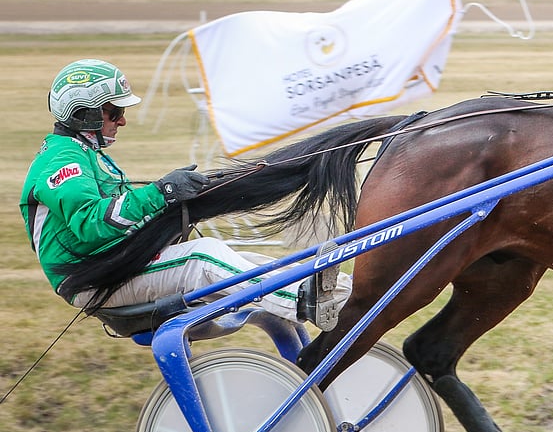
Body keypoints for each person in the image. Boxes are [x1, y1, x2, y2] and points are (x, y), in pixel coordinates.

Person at [20, 58, 349, 329]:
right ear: (83, 113)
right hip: (92, 280)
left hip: (111, 264)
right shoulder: (63, 161)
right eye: (114, 112)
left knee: (246, 263)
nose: (122, 121)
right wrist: (162, 192)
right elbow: (92, 225)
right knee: (203, 258)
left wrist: (174, 198)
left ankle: (347, 295)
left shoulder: (85, 153)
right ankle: (301, 300)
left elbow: (116, 215)